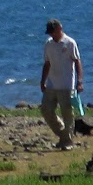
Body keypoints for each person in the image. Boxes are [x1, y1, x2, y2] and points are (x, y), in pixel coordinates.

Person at [39, 17, 83, 149]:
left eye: (53, 32)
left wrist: (80, 81)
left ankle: (67, 141)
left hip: (66, 84)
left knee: (67, 113)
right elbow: (47, 63)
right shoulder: (48, 44)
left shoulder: (70, 43)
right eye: (50, 33)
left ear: (60, 29)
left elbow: (77, 61)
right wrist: (43, 80)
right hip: (52, 84)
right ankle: (63, 134)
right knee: (46, 110)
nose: (52, 35)